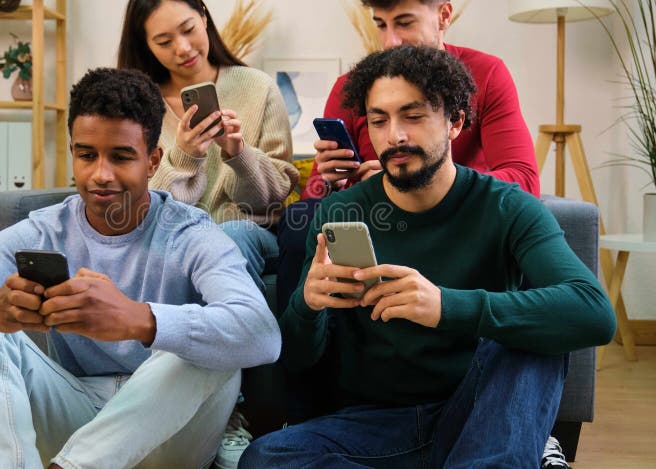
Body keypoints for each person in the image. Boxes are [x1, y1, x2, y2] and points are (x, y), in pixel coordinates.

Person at [240, 45, 615, 468]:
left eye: (412, 116)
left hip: (479, 414)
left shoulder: (507, 207)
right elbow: (299, 358)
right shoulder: (339, 212)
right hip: (378, 427)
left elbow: (595, 313)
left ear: (455, 121)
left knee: (538, 330)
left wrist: (445, 305)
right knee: (265, 458)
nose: (394, 135)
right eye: (379, 121)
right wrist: (308, 307)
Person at [0, 67, 281, 469]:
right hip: (76, 420)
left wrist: (139, 319)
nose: (101, 174)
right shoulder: (43, 230)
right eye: (86, 155)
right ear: (72, 154)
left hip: (171, 437)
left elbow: (263, 335)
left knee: (202, 345)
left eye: (120, 156)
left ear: (153, 162)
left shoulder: (190, 232)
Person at [277, 0, 539, 315]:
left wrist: (430, 184)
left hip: (462, 222)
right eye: (381, 25)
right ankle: (294, 352)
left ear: (444, 16)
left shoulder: (487, 74)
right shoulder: (350, 88)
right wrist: (332, 180)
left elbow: (524, 180)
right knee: (299, 219)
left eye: (403, 23)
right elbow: (319, 198)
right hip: (378, 222)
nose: (391, 42)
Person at [117, 0, 298, 293]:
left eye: (188, 29)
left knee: (229, 237)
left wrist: (238, 154)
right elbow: (138, 208)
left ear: (203, 15)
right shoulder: (138, 106)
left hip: (246, 233)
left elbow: (272, 199)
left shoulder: (258, 88)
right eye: (164, 41)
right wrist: (185, 157)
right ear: (146, 45)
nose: (183, 48)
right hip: (171, 237)